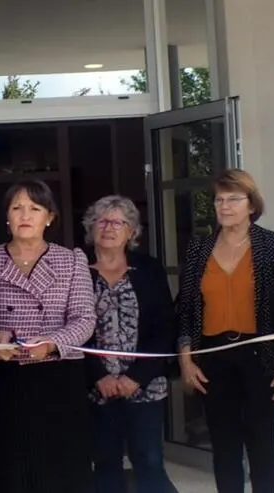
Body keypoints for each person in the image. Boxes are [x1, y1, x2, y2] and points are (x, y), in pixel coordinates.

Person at [0, 179, 97, 493]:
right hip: (3, 377)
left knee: (62, 467)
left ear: (49, 217)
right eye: (17, 208)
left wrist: (50, 345)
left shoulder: (72, 260)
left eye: (35, 208)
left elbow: (84, 319)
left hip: (58, 377)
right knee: (9, 466)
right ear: (7, 217)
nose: (25, 215)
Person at [176, 170, 274, 493]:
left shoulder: (270, 244)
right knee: (223, 444)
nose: (224, 206)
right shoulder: (199, 249)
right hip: (212, 356)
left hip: (260, 356)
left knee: (262, 442)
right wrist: (186, 358)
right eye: (219, 199)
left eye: (233, 199)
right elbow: (185, 306)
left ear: (251, 205)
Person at [81, 195, 177, 493]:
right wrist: (99, 376)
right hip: (95, 388)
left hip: (144, 386)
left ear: (132, 231)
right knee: (105, 465)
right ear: (91, 227)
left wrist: (136, 377)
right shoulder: (76, 268)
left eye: (119, 222)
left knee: (149, 461)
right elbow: (71, 327)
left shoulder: (149, 269)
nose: (109, 228)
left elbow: (165, 327)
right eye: (102, 221)